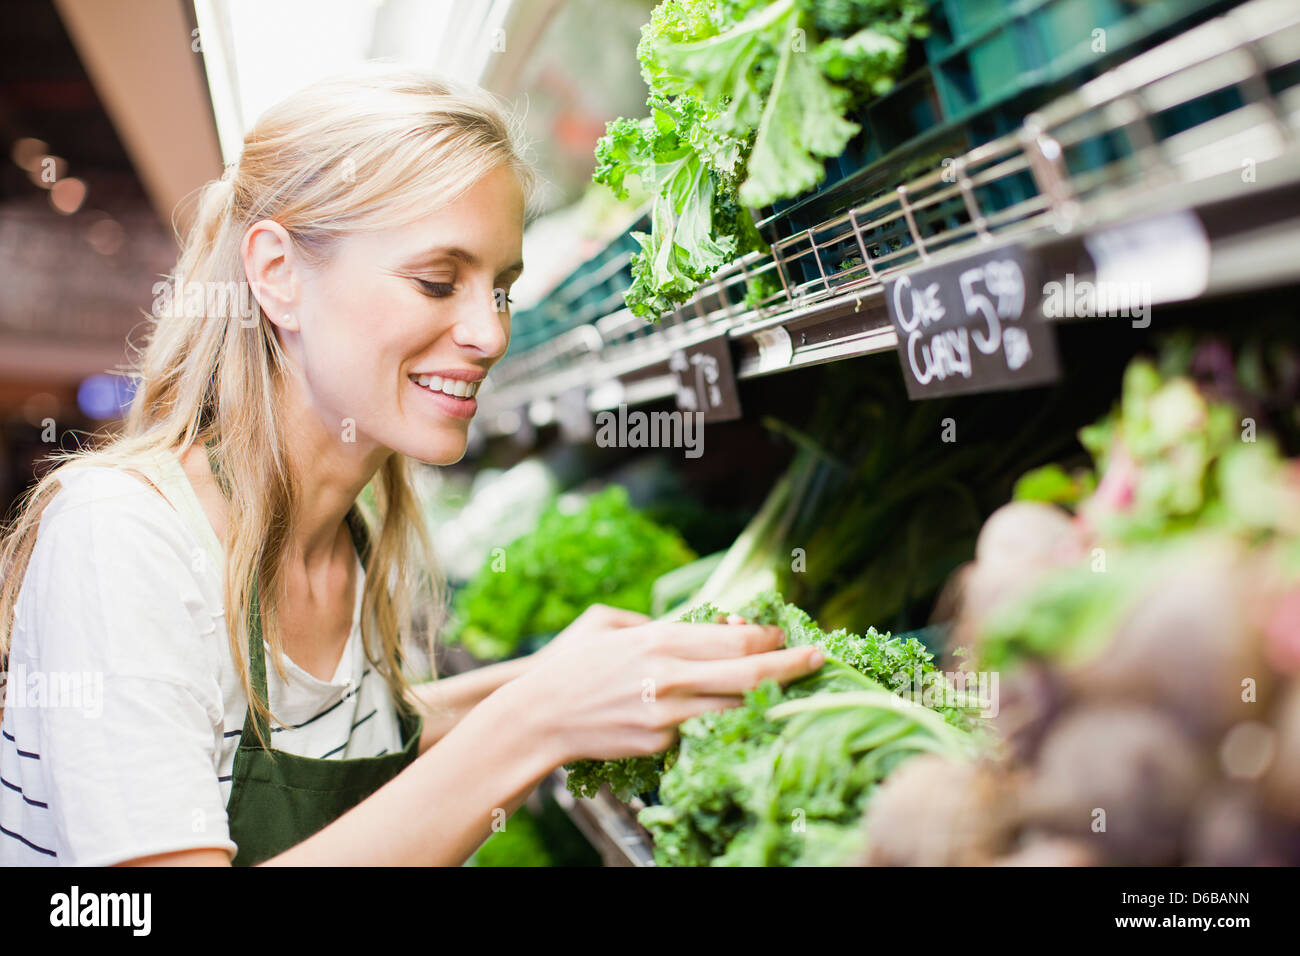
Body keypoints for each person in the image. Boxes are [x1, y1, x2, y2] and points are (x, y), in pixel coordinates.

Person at [0, 68, 822, 866]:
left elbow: (335, 745)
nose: (490, 334)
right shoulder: (123, 539)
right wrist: (535, 721)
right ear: (279, 276)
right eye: (437, 282)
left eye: (501, 288)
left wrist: (554, 681)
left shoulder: (351, 532)